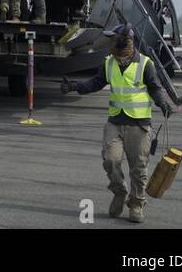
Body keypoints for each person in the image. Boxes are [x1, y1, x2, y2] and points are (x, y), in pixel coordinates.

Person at [62, 26, 174, 223]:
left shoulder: (145, 64)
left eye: (112, 39)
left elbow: (155, 88)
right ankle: (119, 192)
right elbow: (96, 83)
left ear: (124, 41)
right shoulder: (108, 63)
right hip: (115, 121)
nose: (109, 42)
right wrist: (75, 86)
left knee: (138, 167)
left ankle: (137, 203)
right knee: (110, 160)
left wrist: (163, 103)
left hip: (138, 124)